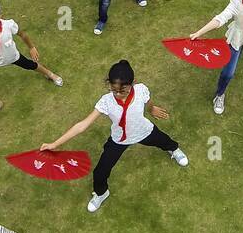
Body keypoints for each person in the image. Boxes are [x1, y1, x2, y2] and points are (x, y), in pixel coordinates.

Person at [40, 59, 187, 213]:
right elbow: (82, 125)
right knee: (100, 172)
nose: (117, 94)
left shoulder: (141, 89)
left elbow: (147, 101)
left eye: (122, 91)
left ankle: (174, 150)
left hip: (143, 131)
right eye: (113, 89)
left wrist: (151, 110)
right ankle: (101, 193)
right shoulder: (106, 101)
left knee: (164, 141)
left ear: (132, 84)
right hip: (119, 140)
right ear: (109, 84)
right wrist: (55, 144)